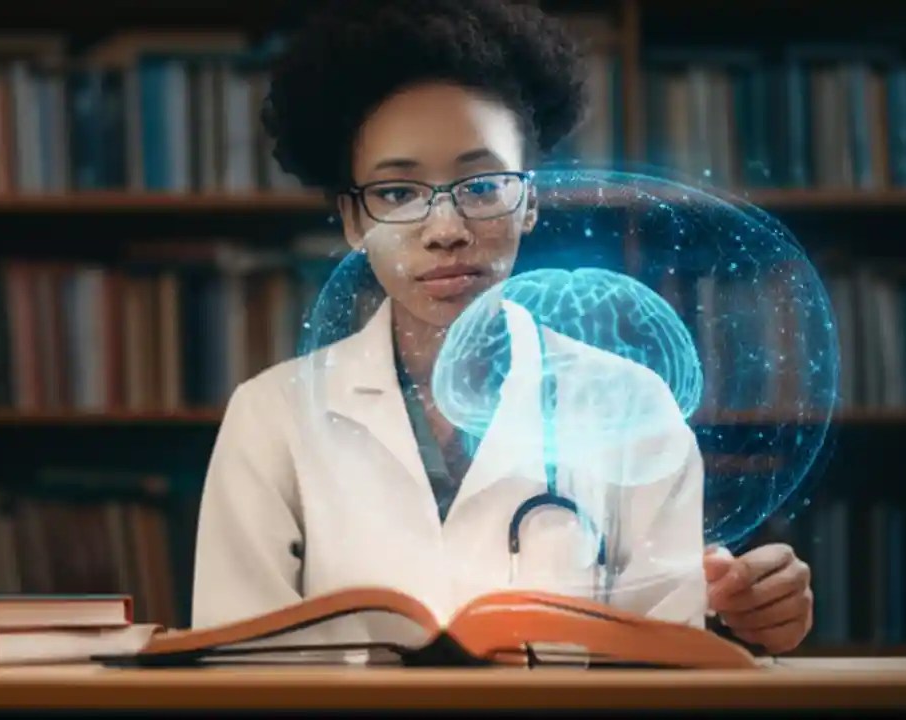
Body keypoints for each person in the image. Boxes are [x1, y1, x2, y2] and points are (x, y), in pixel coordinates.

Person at [191, 0, 813, 655]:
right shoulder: (273, 418)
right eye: (398, 193)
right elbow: (237, 668)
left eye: (482, 185)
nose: (446, 230)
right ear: (352, 222)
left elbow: (667, 664)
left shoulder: (632, 406)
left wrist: (742, 614)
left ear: (531, 201)